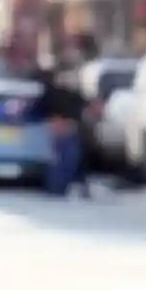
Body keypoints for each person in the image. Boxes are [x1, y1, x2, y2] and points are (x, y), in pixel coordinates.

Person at [42, 70, 90, 198]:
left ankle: (65, 186)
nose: (66, 80)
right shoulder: (51, 94)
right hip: (56, 135)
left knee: (70, 161)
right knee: (58, 163)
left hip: (69, 134)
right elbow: (41, 110)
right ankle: (56, 188)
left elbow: (83, 110)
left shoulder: (75, 96)